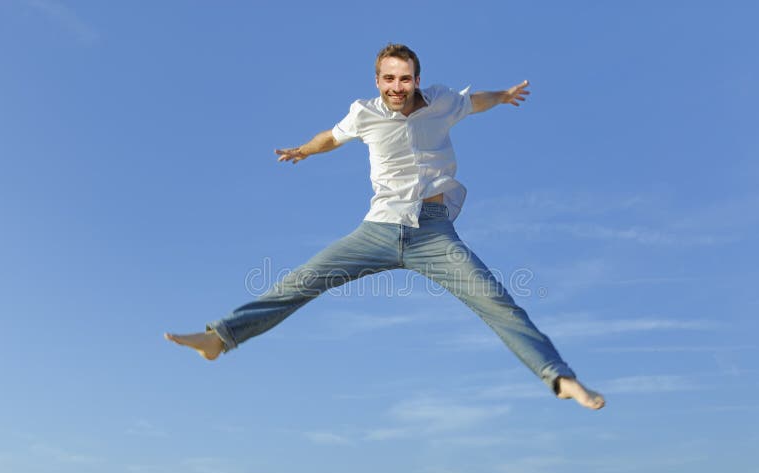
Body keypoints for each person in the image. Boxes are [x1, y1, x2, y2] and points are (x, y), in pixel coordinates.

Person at [165, 44, 605, 410]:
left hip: (433, 233)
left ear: (417, 79)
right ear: (378, 81)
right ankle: (218, 338)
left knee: (496, 301)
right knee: (301, 282)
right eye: (389, 79)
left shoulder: (444, 102)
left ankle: (560, 378)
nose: (398, 87)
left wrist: (505, 95)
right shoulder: (363, 112)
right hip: (377, 230)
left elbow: (477, 101)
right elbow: (331, 137)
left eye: (405, 79)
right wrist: (303, 150)